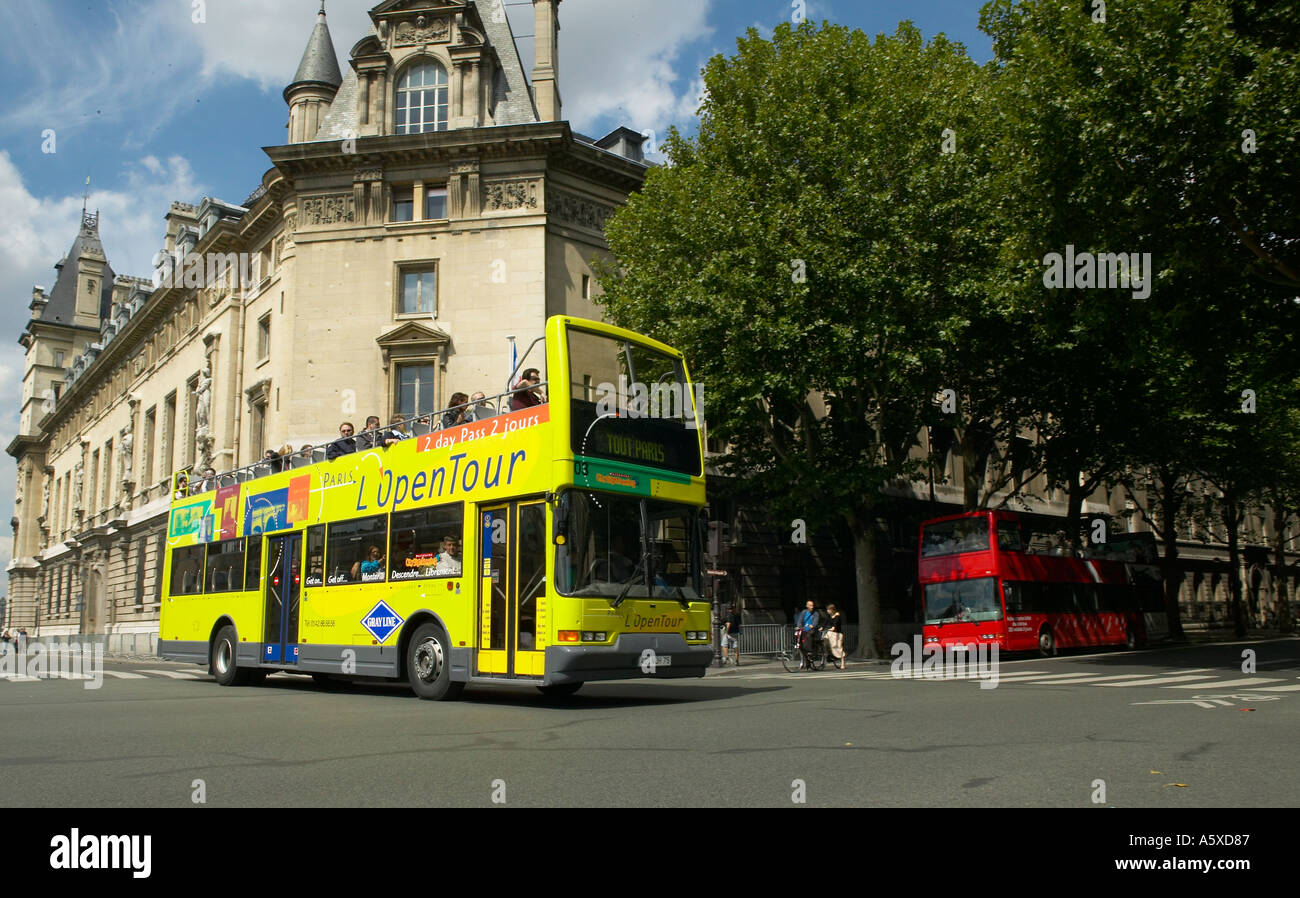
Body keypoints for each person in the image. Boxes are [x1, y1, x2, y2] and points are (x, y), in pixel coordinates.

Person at [796, 600, 822, 671]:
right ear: (807, 606)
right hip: (804, 630)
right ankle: (805, 660)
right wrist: (799, 626)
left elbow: (816, 622)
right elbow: (799, 620)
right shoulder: (804, 612)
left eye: (812, 605)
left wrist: (812, 625)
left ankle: (810, 652)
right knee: (798, 638)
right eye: (810, 605)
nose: (812, 607)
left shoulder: (815, 613)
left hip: (812, 630)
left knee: (809, 635)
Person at [824, 603, 845, 670]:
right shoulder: (829, 616)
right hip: (832, 633)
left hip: (838, 634)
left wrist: (833, 628)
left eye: (828, 610)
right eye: (827, 610)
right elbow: (825, 622)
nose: (827, 611)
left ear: (832, 610)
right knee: (825, 640)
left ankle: (842, 663)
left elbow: (835, 624)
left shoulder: (837, 616)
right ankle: (829, 655)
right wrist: (821, 627)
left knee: (839, 648)